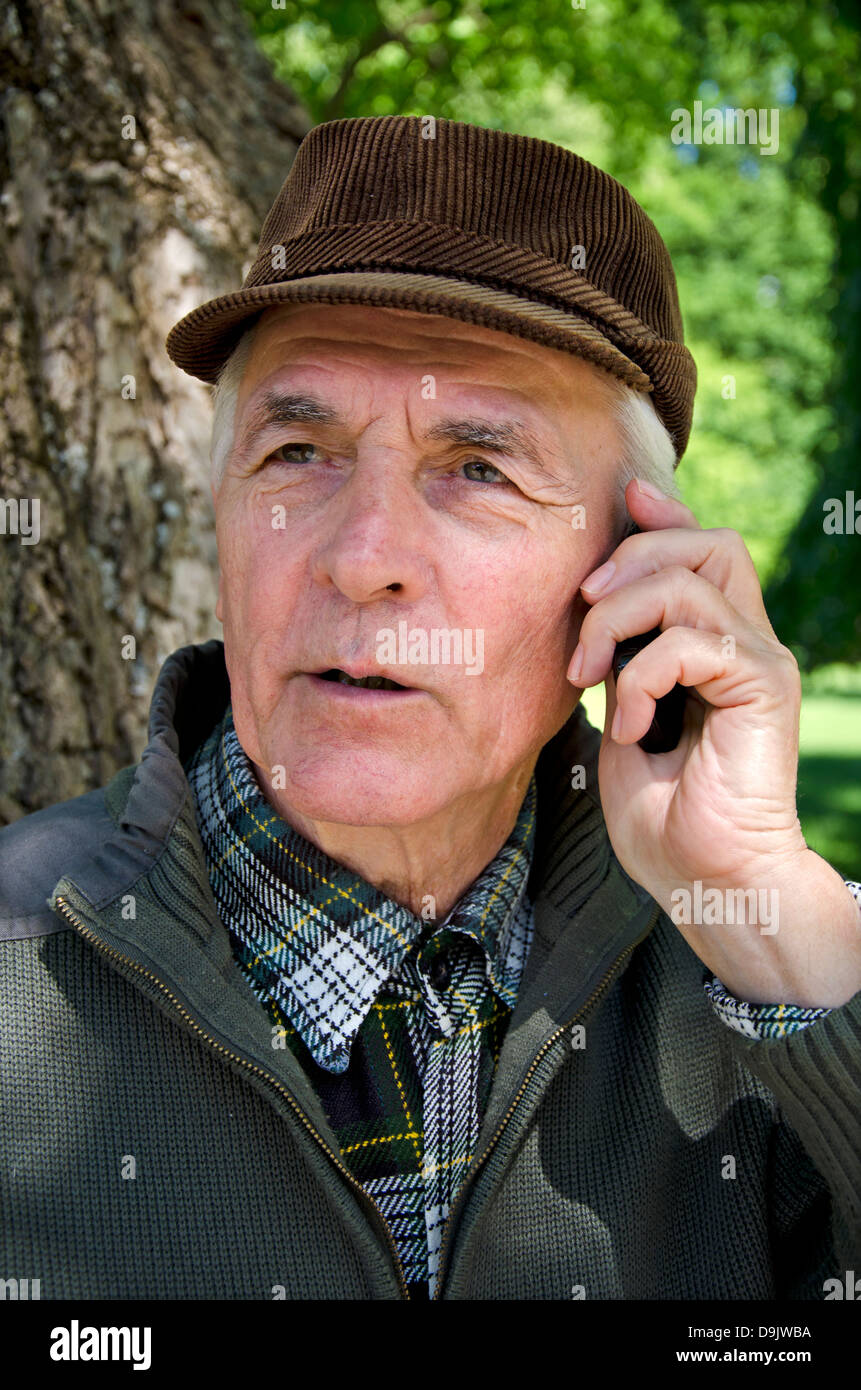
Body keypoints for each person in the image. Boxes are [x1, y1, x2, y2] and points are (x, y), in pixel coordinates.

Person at [1, 115, 859, 1301]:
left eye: (478, 470)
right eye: (299, 450)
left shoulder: (758, 996)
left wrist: (770, 908)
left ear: (632, 565)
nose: (363, 558)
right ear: (222, 511)